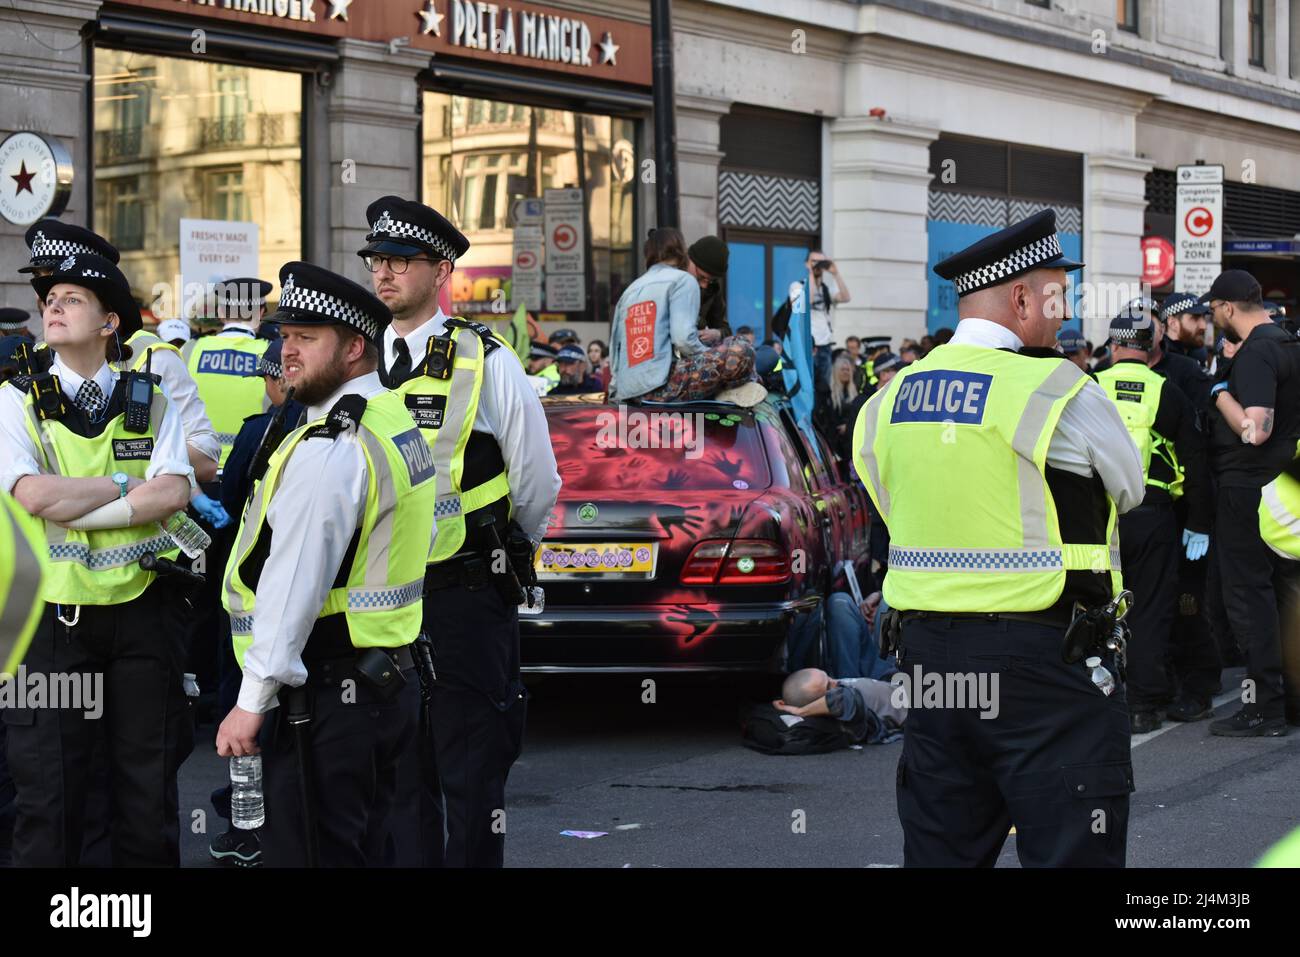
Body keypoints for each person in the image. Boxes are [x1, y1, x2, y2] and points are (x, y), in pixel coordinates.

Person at [853, 210, 1144, 867]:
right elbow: (1129, 486)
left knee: (942, 850)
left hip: (929, 664)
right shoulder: (1058, 388)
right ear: (1019, 297)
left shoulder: (886, 401)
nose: (1064, 312)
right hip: (1045, 661)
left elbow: (894, 503)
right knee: (1073, 846)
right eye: (1056, 294)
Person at [358, 195, 560, 868]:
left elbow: (538, 482)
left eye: (400, 262)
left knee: (471, 781)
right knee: (397, 781)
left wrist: (494, 548)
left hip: (463, 600)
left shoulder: (487, 361)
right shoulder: (355, 367)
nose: (384, 274)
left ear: (440, 270)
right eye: (377, 260)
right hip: (378, 605)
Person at [216, 261, 437, 867]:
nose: (287, 352)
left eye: (307, 338)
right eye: (285, 335)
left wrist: (250, 700)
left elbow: (293, 587)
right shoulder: (392, 419)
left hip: (326, 692)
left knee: (313, 851)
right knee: (371, 845)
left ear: (355, 348)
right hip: (386, 681)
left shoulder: (331, 448)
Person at [1, 253, 195, 867]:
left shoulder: (150, 393)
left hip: (143, 616)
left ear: (110, 322)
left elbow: (175, 490)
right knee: (51, 799)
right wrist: (121, 485)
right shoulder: (16, 398)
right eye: (49, 299)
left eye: (71, 299)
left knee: (146, 795)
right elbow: (32, 495)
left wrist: (78, 500)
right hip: (50, 625)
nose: (52, 307)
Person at [1095, 308, 1213, 734]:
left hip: (1099, 520)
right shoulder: (1168, 392)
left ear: (1113, 347)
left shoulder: (1091, 385)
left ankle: (1097, 699)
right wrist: (1199, 522)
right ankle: (1143, 706)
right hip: (1153, 517)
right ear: (1152, 347)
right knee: (1148, 612)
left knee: (1096, 609)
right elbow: (1195, 462)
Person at [1201, 269, 1300, 736]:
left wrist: (1220, 393)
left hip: (1248, 488)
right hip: (1279, 486)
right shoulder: (1286, 343)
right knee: (1281, 596)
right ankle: (1286, 701)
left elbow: (1254, 430)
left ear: (1227, 307)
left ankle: (1263, 706)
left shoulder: (1258, 350)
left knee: (1247, 599)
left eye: (1214, 309)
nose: (1213, 316)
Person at [609, 227, 759, 405]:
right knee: (742, 349)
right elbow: (683, 340)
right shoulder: (683, 280)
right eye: (701, 277)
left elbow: (615, 351)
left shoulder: (631, 289)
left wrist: (615, 394)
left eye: (709, 281)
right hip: (662, 385)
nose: (704, 285)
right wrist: (710, 357)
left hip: (629, 392)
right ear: (685, 256)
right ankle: (733, 389)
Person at [185, 278, 272, 470]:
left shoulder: (191, 349)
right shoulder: (272, 354)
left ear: (221, 312)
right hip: (248, 470)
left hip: (195, 470)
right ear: (260, 312)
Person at [774, 667, 907, 746]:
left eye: (828, 677)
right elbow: (842, 699)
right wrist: (801, 711)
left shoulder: (836, 688)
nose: (835, 682)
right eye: (828, 686)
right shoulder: (848, 712)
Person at [806, 251, 850, 390]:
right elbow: (808, 300)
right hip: (808, 345)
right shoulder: (798, 287)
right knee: (809, 386)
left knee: (824, 388)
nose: (817, 265)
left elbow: (846, 297)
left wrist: (836, 273)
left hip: (825, 345)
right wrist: (811, 274)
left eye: (821, 262)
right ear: (806, 264)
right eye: (814, 261)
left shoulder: (826, 290)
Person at [687, 235, 731, 338]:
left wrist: (718, 333)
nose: (704, 285)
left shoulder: (713, 288)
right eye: (701, 277)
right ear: (690, 260)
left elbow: (725, 329)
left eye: (711, 280)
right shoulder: (669, 280)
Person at [1160, 292, 1211, 366]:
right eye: (1195, 318)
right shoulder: (1160, 361)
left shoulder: (1198, 357)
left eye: (1203, 317)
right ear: (1173, 323)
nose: (1204, 326)